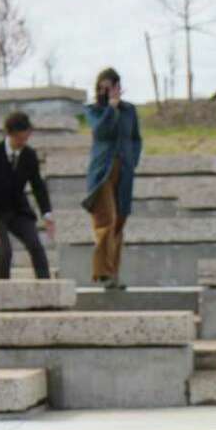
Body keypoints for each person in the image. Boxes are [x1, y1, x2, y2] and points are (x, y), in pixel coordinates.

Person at [0, 110, 55, 280]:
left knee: (36, 246)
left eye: (26, 138)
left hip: (17, 210)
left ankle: (47, 286)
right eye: (19, 139)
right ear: (9, 134)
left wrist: (47, 213)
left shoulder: (29, 155)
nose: (23, 143)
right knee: (4, 252)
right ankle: (2, 290)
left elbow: (38, 185)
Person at [82, 67, 142, 289]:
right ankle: (103, 272)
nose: (105, 92)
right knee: (106, 219)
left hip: (124, 170)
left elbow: (136, 138)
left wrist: (132, 160)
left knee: (119, 222)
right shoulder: (94, 110)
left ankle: (113, 274)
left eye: (109, 88)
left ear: (118, 87)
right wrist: (111, 108)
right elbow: (101, 131)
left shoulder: (130, 110)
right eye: (101, 88)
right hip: (102, 172)